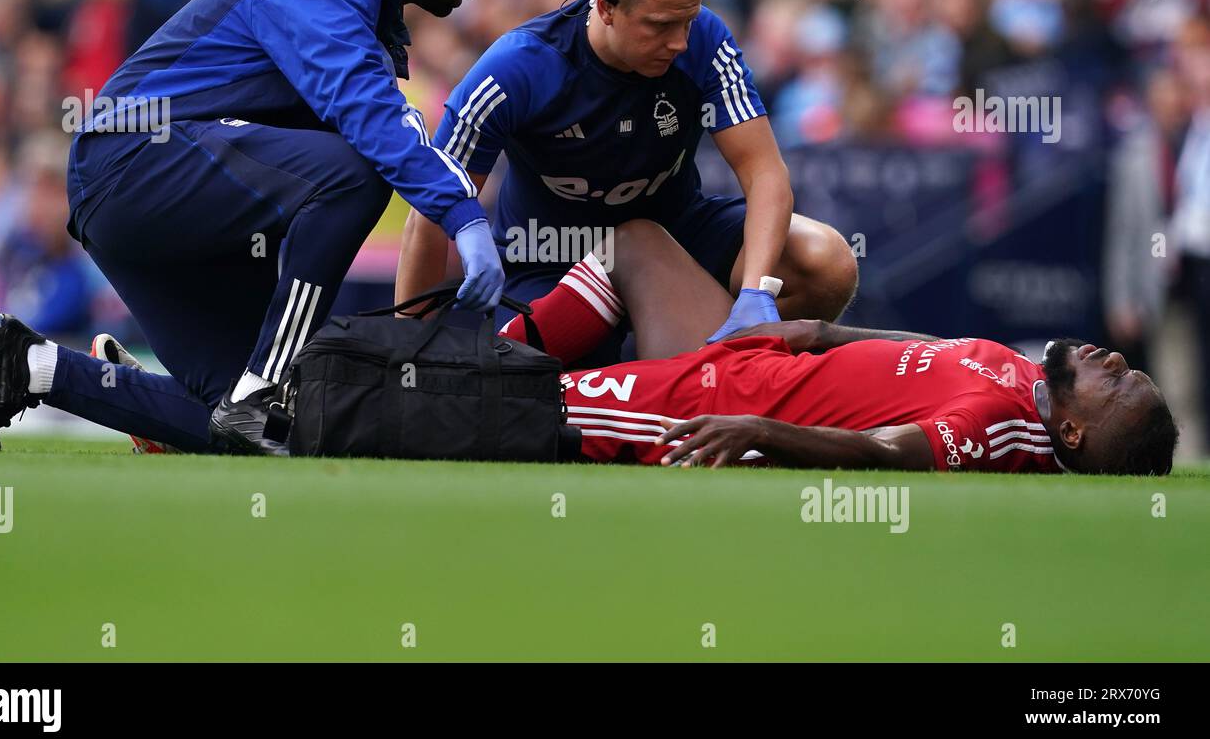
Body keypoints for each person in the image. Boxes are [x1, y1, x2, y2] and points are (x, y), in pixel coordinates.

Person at [0, 0, 517, 454]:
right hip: (135, 161)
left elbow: (374, 114)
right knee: (353, 176)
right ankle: (263, 386)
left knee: (270, 434)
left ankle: (32, 366)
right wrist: (462, 213)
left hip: (157, 195)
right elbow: (365, 113)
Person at [395, 0, 859, 361]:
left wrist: (756, 290)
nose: (679, 42)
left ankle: (724, 360)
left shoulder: (705, 41)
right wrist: (403, 356)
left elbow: (763, 171)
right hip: (552, 255)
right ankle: (656, 363)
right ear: (606, 6)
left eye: (688, 20)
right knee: (540, 399)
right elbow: (432, 211)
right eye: (660, 26)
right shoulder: (517, 70)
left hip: (677, 238)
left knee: (826, 263)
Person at [496, 220, 1178, 474]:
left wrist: (760, 431)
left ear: (1072, 432)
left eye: (1119, 386)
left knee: (507, 402)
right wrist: (821, 332)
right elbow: (935, 350)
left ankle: (466, 367)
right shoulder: (1031, 377)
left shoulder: (998, 431)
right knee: (637, 244)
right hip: (761, 361)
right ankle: (491, 350)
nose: (1117, 360)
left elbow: (888, 452)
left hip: (736, 399)